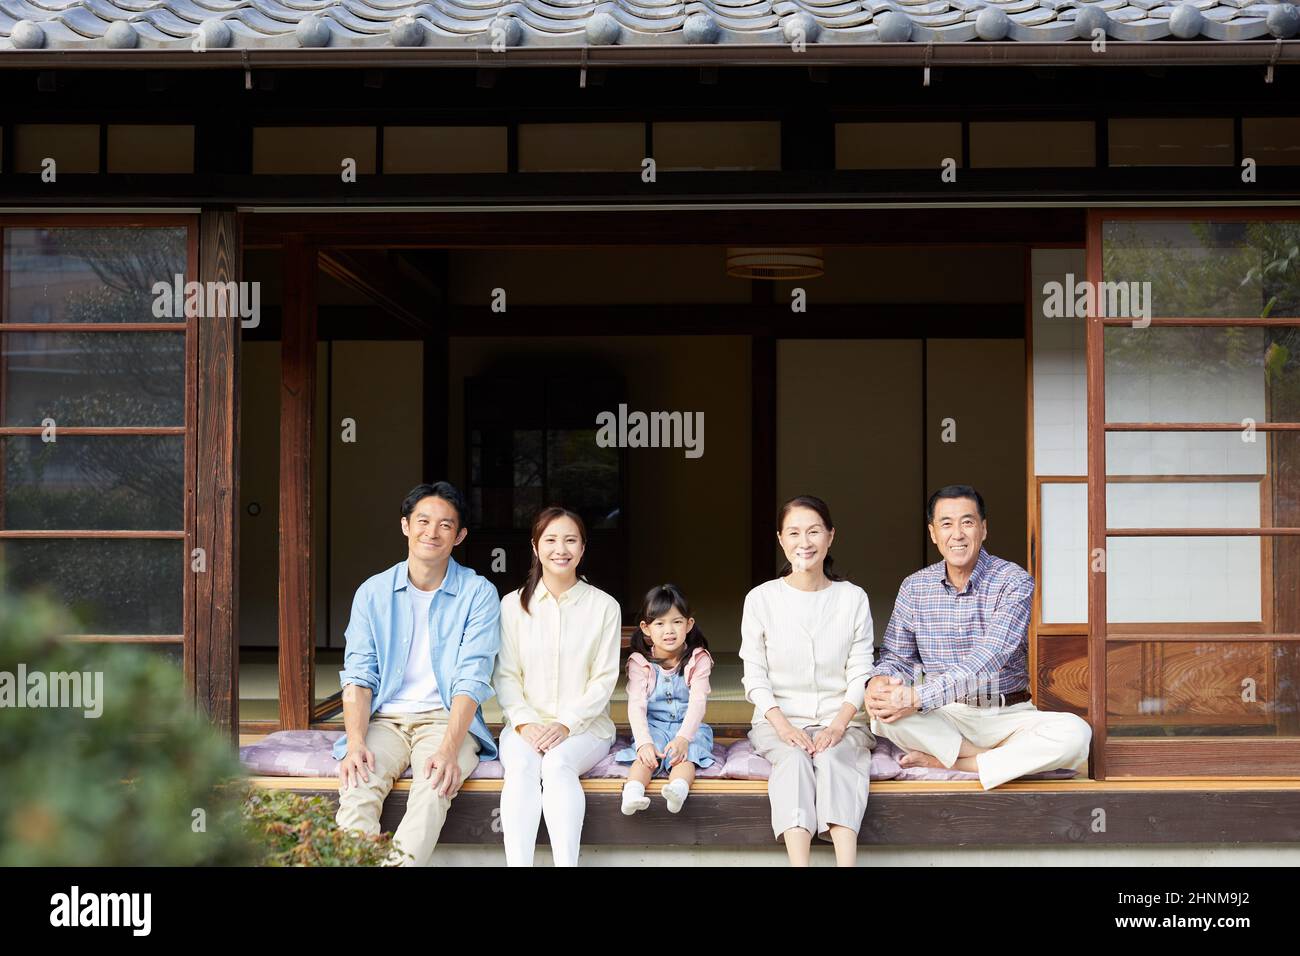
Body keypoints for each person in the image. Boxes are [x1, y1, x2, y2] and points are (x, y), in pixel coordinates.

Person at [866, 484, 1092, 790]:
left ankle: (957, 762)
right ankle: (993, 760)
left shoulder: (1013, 580)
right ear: (933, 533)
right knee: (881, 716)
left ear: (983, 529)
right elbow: (896, 656)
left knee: (1076, 734)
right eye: (946, 524)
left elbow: (988, 658)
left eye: (967, 522)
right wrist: (880, 681)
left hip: (1008, 715)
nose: (957, 534)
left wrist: (918, 697)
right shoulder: (914, 587)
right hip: (945, 716)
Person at [333, 481, 501, 866]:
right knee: (358, 783)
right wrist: (356, 740)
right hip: (386, 719)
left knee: (434, 787)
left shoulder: (478, 592)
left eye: (445, 525)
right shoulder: (373, 593)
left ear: (459, 536)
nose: (432, 531)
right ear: (406, 526)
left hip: (446, 720)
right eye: (423, 521)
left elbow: (472, 677)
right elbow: (359, 675)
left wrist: (448, 749)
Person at [740, 494, 875, 867]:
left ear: (830, 537)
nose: (805, 542)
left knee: (834, 758)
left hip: (843, 719)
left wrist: (838, 724)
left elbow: (860, 670)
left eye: (814, 531)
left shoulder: (852, 598)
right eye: (795, 533)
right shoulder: (761, 599)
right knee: (794, 759)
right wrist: (783, 726)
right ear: (782, 540)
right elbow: (754, 676)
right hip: (778, 721)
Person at [493, 506, 622, 867]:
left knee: (557, 765)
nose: (560, 549)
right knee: (521, 769)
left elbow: (604, 679)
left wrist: (565, 723)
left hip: (586, 728)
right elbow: (506, 675)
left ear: (582, 548)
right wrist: (524, 723)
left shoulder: (604, 607)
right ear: (535, 547)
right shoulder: (512, 606)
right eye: (550, 539)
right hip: (525, 726)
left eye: (570, 540)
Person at [616, 583, 715, 816]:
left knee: (685, 756)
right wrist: (643, 742)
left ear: (689, 624)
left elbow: (698, 702)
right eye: (660, 623)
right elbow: (636, 705)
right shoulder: (640, 662)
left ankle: (678, 790)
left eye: (677, 622)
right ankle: (632, 792)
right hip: (654, 726)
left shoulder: (697, 659)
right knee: (645, 758)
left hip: (689, 726)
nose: (669, 630)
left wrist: (683, 738)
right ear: (646, 628)